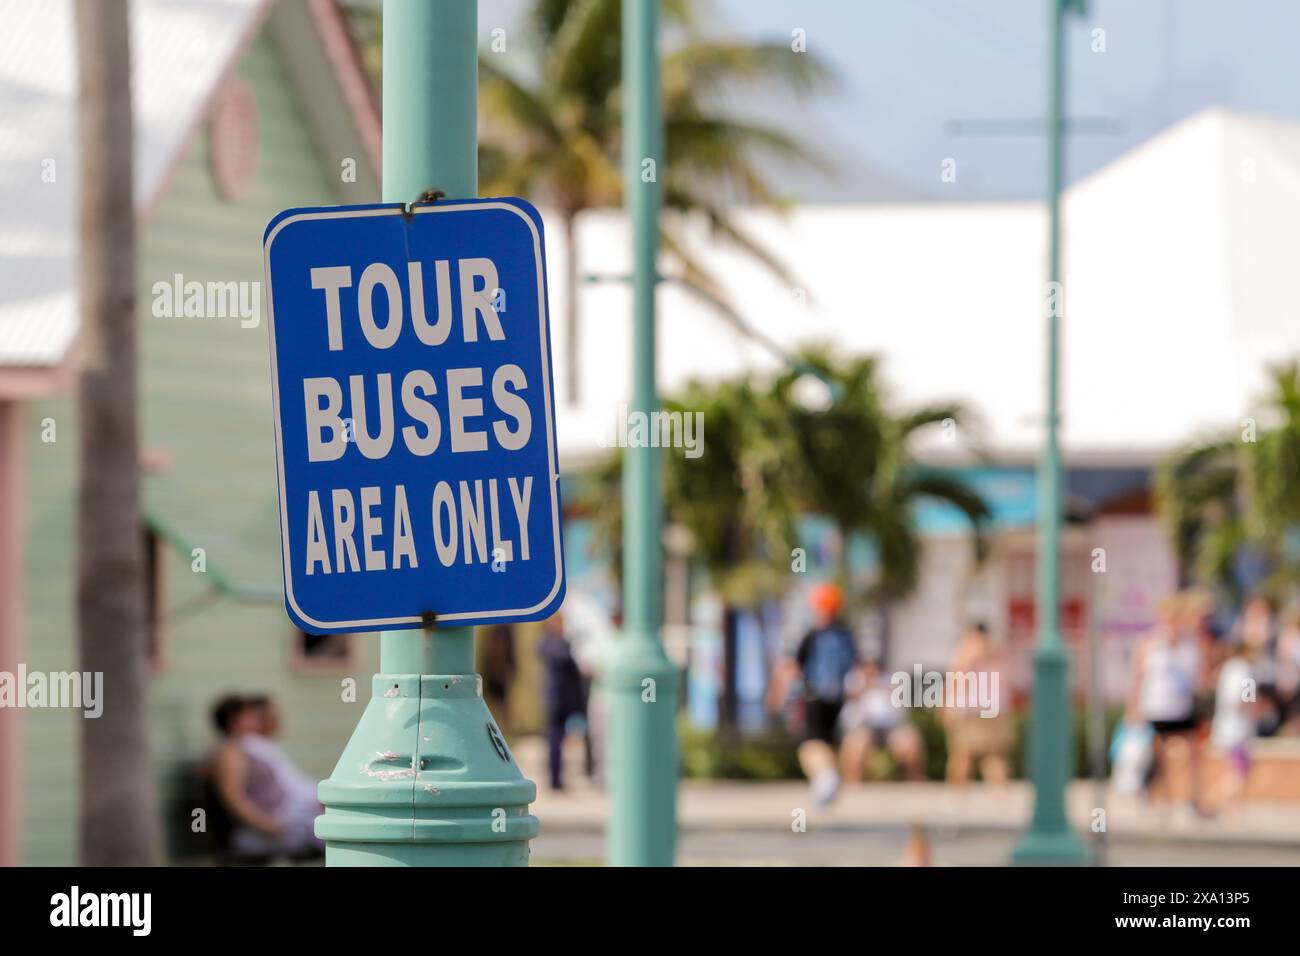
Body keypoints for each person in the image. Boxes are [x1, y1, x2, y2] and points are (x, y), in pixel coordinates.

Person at [766, 582, 859, 806]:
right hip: (837, 700)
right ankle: (824, 782)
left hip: (813, 697)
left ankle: (826, 778)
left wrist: (776, 693)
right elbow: (858, 668)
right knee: (825, 742)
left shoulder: (812, 634)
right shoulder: (845, 635)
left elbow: (791, 666)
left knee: (810, 744)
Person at [210, 694, 323, 860]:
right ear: (234, 721)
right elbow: (234, 798)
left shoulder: (254, 746)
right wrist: (269, 827)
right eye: (249, 716)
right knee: (331, 832)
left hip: (289, 819)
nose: (256, 720)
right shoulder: (232, 753)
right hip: (263, 832)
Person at [1127, 592, 1205, 817]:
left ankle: (1191, 800)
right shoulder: (1149, 643)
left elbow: (1197, 676)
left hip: (1181, 707)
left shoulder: (1189, 645)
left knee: (1191, 754)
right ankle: (1159, 798)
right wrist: (1134, 707)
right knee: (1158, 756)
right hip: (1157, 708)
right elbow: (1138, 676)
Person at [942, 622, 1012, 786]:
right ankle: (1000, 794)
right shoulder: (998, 653)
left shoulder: (967, 651)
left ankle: (957, 794)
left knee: (962, 753)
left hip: (970, 710)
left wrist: (947, 705)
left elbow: (958, 676)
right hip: (996, 708)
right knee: (994, 754)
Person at [839, 658, 926, 781]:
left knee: (910, 743)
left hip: (891, 727)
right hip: (862, 726)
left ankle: (915, 783)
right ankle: (852, 786)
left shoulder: (891, 678)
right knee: (856, 747)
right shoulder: (853, 680)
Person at [538, 612, 587, 791]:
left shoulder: (551, 644)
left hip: (560, 700)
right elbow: (564, 659)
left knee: (558, 740)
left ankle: (557, 777)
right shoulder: (554, 644)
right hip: (557, 700)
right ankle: (555, 779)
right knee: (554, 740)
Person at [1209, 639, 1258, 814]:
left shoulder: (1228, 668)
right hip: (1238, 729)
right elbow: (1246, 700)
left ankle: (1230, 809)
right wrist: (1255, 710)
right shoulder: (1246, 670)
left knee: (1234, 770)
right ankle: (1214, 803)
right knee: (1239, 772)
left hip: (1225, 726)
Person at [480, 624, 518, 731]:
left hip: (501, 671)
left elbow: (510, 650)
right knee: (494, 703)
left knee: (503, 703)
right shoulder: (493, 628)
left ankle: (504, 729)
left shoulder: (506, 629)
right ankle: (495, 727)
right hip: (493, 671)